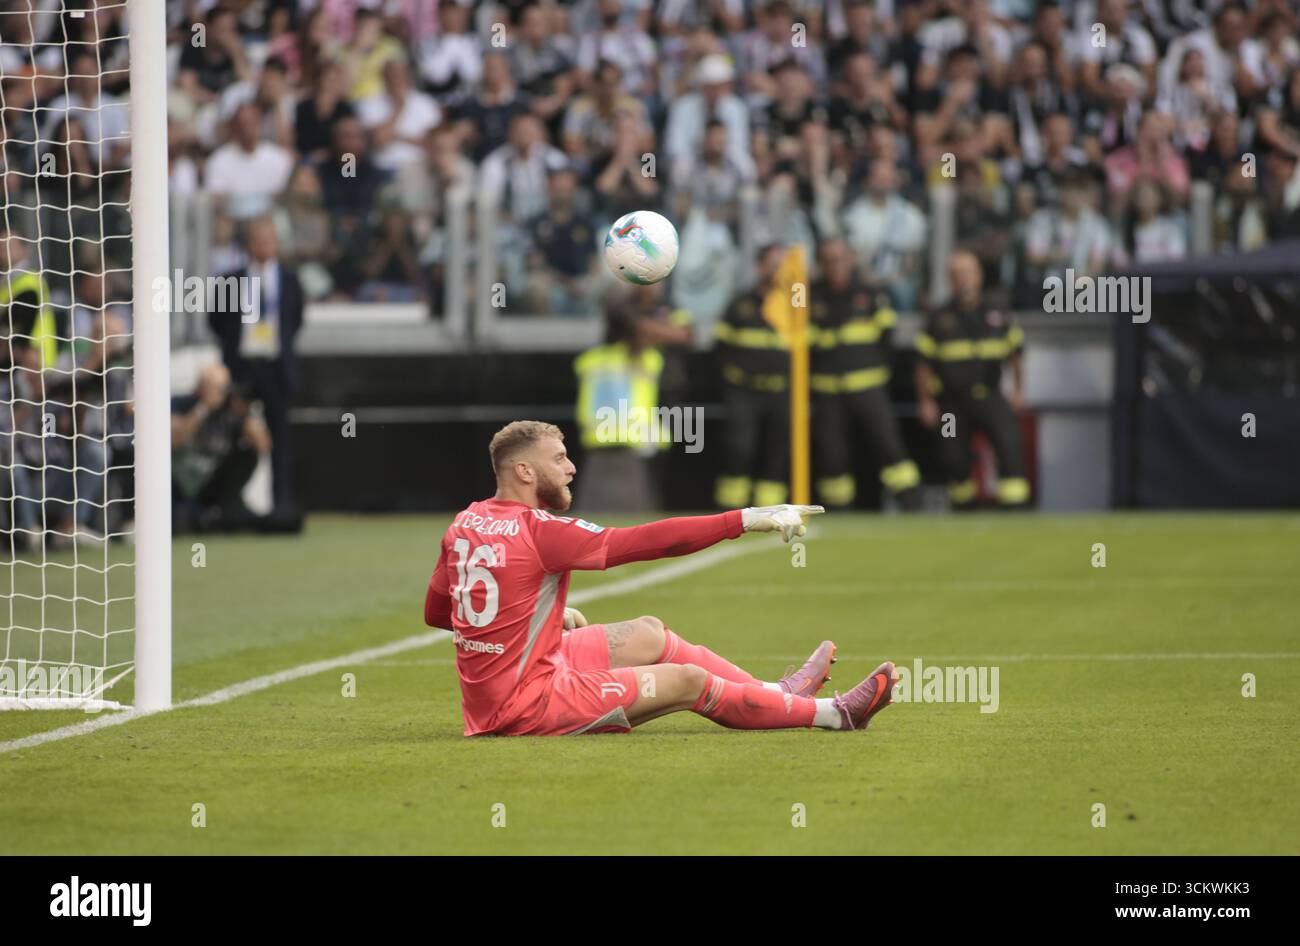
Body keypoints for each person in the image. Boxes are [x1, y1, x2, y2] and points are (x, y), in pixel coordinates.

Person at [423, 420, 897, 737]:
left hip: (512, 680)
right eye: (559, 459)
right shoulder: (540, 530)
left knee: (649, 631)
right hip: (527, 704)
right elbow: (646, 542)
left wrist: (535, 612)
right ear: (524, 470)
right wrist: (744, 519)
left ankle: (774, 693)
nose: (570, 468)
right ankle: (835, 715)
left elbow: (438, 613)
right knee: (688, 680)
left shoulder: (466, 520)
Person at [810, 239, 921, 510]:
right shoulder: (809, 297)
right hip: (827, 391)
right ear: (820, 264)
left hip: (869, 386)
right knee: (832, 454)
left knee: (888, 446)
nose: (835, 265)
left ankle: (910, 503)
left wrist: (877, 369)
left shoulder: (871, 294)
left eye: (840, 258)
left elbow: (888, 338)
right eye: (828, 260)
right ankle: (838, 511)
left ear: (850, 259)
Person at [914, 251, 1030, 509]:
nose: (963, 279)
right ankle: (964, 511)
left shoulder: (998, 314)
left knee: (1010, 446)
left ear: (978, 276)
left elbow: (1016, 356)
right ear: (949, 279)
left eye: (967, 273)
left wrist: (1020, 390)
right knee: (951, 455)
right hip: (951, 406)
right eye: (957, 275)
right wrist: (926, 401)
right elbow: (923, 365)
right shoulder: (937, 319)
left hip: (991, 396)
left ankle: (1016, 512)